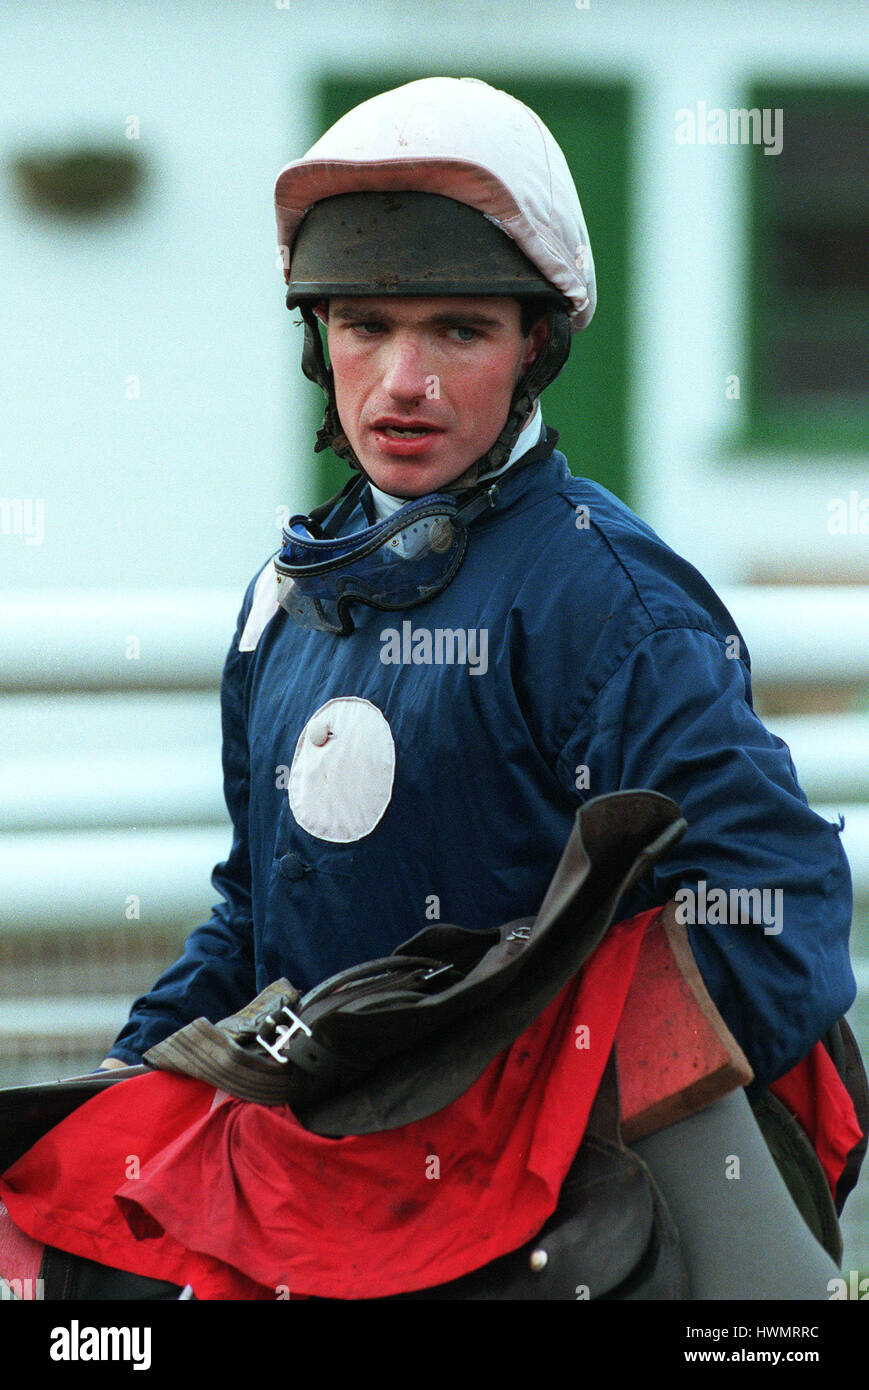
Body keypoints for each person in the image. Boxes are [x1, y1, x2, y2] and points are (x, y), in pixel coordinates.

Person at [1, 76, 861, 1301]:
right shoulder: (280, 602)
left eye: (458, 329)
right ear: (319, 343)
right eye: (362, 325)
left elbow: (773, 911)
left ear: (532, 351)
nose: (401, 381)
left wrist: (538, 1129)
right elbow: (255, 923)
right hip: (346, 1162)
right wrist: (119, 1083)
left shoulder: (605, 603)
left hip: (533, 1196)